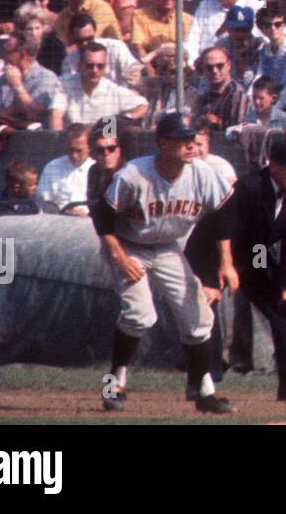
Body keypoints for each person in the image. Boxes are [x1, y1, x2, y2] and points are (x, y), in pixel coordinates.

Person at [93, 112, 238, 414]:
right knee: (139, 316)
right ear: (162, 143)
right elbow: (102, 216)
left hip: (169, 247)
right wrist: (118, 257)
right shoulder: (134, 174)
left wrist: (227, 263)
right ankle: (114, 384)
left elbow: (223, 217)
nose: (190, 144)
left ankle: (204, 391)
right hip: (129, 245)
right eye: (181, 139)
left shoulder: (202, 173)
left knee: (198, 319)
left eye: (191, 138)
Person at [190, 137, 286, 402]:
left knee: (284, 306)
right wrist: (220, 271)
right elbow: (222, 228)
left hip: (254, 253)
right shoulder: (249, 188)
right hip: (213, 250)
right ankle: (205, 382)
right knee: (207, 307)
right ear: (273, 165)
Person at [37, 123, 95, 214]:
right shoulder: (53, 167)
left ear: (89, 147)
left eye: (79, 150)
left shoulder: (97, 169)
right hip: (58, 221)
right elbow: (43, 202)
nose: (74, 155)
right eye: (71, 150)